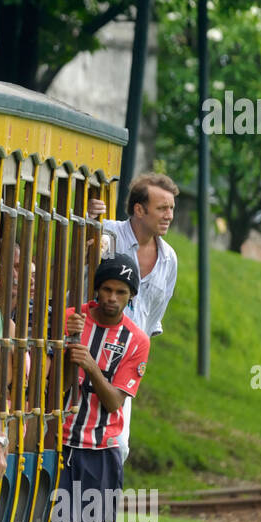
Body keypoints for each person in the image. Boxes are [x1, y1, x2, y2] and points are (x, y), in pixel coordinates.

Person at [50, 256, 150, 522]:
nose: (111, 298)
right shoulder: (73, 319)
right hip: (63, 444)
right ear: (96, 289)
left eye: (121, 293)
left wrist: (90, 364)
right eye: (106, 290)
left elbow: (113, 403)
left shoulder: (137, 341)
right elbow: (47, 376)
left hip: (102, 449)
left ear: (130, 297)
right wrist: (64, 343)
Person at [88, 173, 179, 460]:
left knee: (118, 445)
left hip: (124, 363)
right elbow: (74, 276)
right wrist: (87, 223)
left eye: (172, 208)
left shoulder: (169, 259)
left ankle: (99, 503)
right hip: (87, 347)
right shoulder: (107, 235)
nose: (169, 216)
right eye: (162, 208)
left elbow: (152, 321)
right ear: (139, 209)